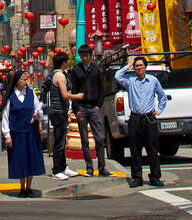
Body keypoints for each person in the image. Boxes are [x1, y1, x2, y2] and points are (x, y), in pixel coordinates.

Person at [115, 55, 168, 187]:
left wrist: (159, 110)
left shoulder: (153, 80)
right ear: (134, 68)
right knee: (135, 149)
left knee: (152, 149)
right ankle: (137, 178)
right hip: (135, 118)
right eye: (137, 66)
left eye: (141, 66)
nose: (139, 68)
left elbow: (163, 97)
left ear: (145, 67)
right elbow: (117, 76)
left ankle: (155, 177)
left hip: (149, 118)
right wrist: (128, 65)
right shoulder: (130, 80)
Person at [1, 68, 46, 197]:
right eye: (23, 79)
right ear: (16, 81)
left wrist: (38, 116)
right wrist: (7, 136)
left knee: (31, 158)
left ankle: (28, 187)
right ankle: (22, 187)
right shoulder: (11, 97)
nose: (25, 81)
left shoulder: (31, 94)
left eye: (26, 79)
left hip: (31, 132)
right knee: (20, 159)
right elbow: (5, 117)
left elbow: (39, 110)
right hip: (17, 133)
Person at [70, 43, 108, 176]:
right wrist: (76, 109)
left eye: (87, 55)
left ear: (90, 56)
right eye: (82, 56)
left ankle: (102, 168)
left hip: (94, 107)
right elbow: (73, 91)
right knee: (84, 139)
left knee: (99, 138)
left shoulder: (96, 70)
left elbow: (102, 88)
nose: (85, 58)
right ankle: (89, 168)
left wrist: (98, 105)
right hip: (81, 107)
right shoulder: (76, 70)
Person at [48, 51, 82, 180]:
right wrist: (77, 96)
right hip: (58, 112)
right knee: (59, 141)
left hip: (61, 111)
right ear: (63, 63)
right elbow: (65, 94)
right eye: (66, 61)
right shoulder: (60, 76)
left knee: (62, 140)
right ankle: (57, 169)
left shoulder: (59, 74)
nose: (67, 63)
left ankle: (63, 166)